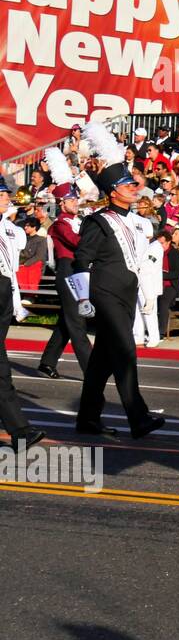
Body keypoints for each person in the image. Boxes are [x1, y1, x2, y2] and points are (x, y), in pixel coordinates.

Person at [67, 123, 166, 439]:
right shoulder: (98, 221)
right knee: (125, 351)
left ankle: (87, 419)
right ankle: (138, 418)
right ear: (113, 192)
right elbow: (81, 259)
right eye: (127, 185)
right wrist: (83, 298)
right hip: (104, 293)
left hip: (126, 295)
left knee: (101, 362)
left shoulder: (137, 222)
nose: (134, 187)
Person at [38, 147, 93, 378]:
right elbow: (77, 243)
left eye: (75, 198)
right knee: (77, 322)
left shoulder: (78, 220)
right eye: (72, 199)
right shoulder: (61, 224)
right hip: (67, 271)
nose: (76, 201)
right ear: (62, 203)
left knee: (67, 321)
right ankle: (92, 370)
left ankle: (47, 362)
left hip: (78, 272)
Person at [0, 178, 45, 447]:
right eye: (2, 193)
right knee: (1, 368)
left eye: (6, 193)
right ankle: (20, 431)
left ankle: (20, 431)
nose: (8, 197)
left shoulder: (9, 229)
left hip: (5, 292)